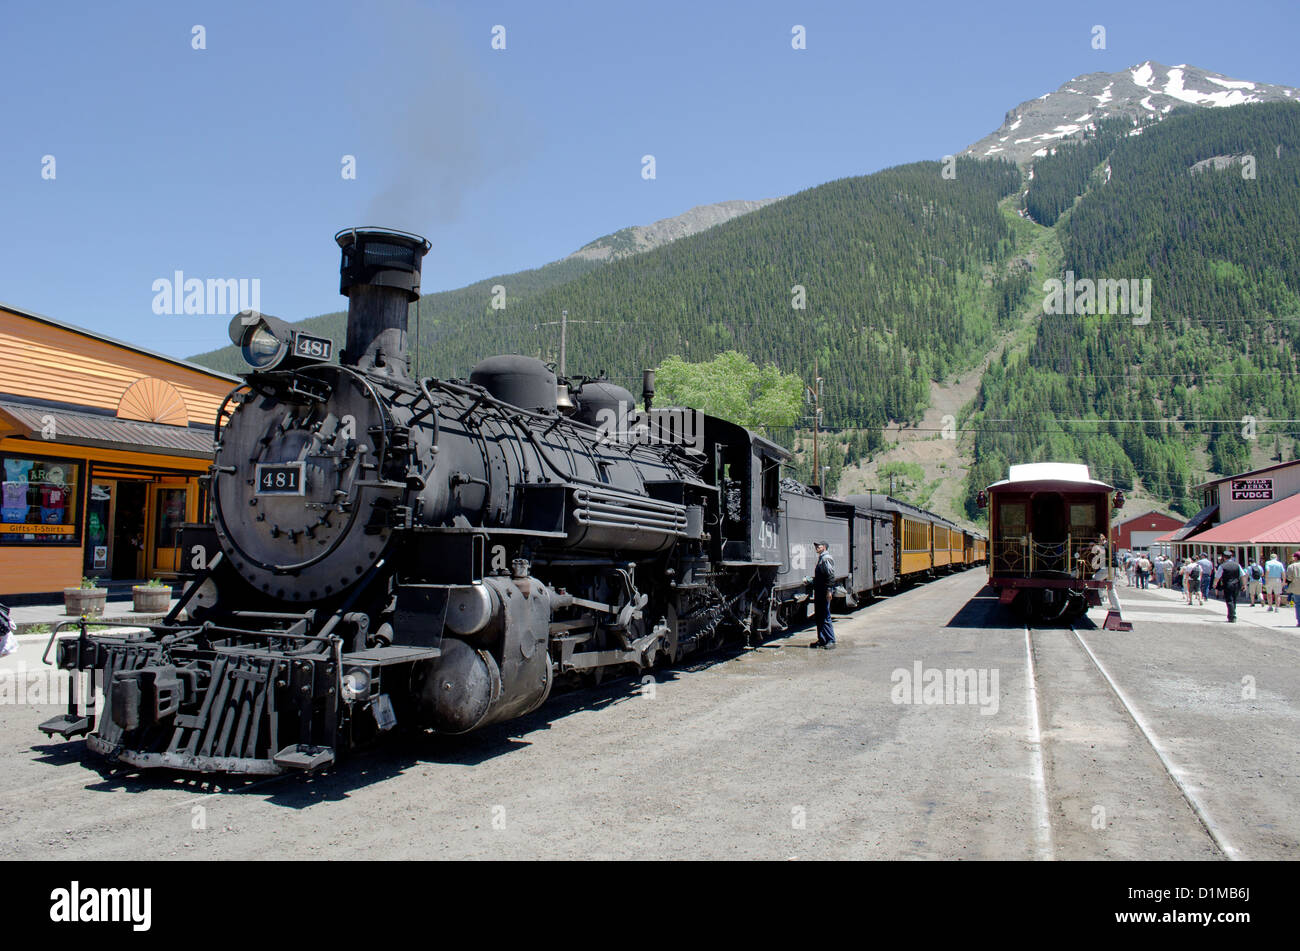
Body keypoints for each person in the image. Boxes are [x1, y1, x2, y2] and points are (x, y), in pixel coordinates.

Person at [807, 541, 836, 649]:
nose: (816, 548)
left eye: (818, 546)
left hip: (824, 591)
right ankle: (822, 640)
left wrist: (829, 591)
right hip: (820, 590)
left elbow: (830, 575)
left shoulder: (826, 558)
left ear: (824, 547)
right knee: (819, 616)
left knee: (825, 616)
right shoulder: (821, 558)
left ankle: (831, 640)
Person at [1216, 552, 1243, 622]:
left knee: (1229, 600)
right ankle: (1233, 613)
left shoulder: (1222, 566)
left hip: (1228, 584)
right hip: (1236, 584)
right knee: (1234, 600)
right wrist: (1244, 584)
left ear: (1224, 557)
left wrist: (1214, 583)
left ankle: (1232, 616)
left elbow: (1217, 576)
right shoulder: (1237, 565)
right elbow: (1243, 575)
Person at [1286, 553, 1300, 627]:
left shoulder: (1292, 566)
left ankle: (1299, 621)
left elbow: (1289, 578)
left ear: (1296, 558)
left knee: (1298, 604)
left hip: (1297, 587)